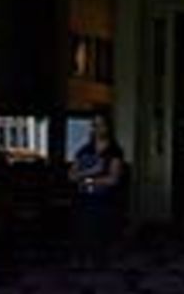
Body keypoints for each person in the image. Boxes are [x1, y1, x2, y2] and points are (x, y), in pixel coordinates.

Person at [68, 111, 126, 266]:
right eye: (94, 125)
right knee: (82, 228)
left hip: (104, 199)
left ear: (108, 128)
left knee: (100, 228)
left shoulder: (114, 151)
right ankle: (83, 258)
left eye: (101, 125)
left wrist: (86, 179)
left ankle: (99, 259)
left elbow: (113, 179)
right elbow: (72, 176)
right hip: (84, 197)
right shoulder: (84, 150)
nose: (98, 128)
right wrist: (92, 173)